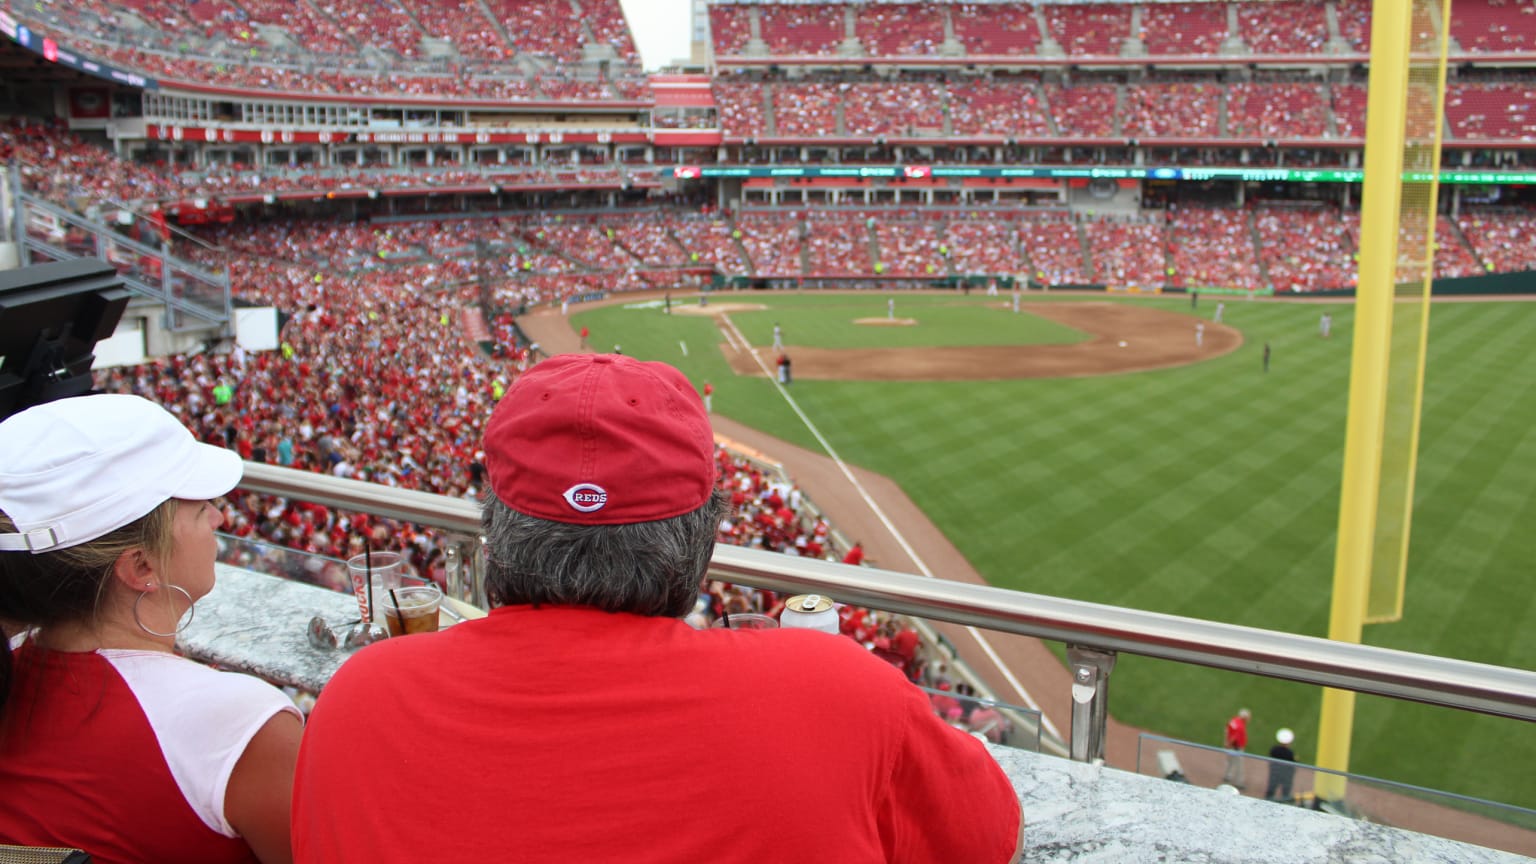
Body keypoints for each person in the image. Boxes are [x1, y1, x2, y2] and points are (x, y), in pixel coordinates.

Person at [292, 354, 1023, 862]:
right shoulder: (840, 691)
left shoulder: (357, 696)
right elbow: (995, 840)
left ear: (495, 531)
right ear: (700, 542)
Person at [0, 393, 303, 863]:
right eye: (200, 508)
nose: (219, 517)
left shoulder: (12, 672)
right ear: (141, 566)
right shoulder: (238, 720)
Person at [1266, 728, 1297, 802]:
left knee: (1271, 788)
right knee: (1286, 791)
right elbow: (1293, 762)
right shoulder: (1289, 753)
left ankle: (1267, 800)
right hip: (1286, 774)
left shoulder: (1274, 749)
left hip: (1274, 772)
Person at [1223, 708, 1251, 788]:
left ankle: (1227, 776)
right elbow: (1234, 738)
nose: (1249, 719)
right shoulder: (1240, 726)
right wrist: (1229, 744)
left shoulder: (1234, 720)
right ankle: (1239, 783)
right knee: (1239, 766)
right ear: (1244, 718)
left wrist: (1226, 742)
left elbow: (1226, 729)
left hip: (1231, 747)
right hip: (1236, 748)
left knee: (1230, 762)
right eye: (1248, 717)